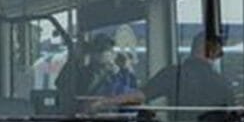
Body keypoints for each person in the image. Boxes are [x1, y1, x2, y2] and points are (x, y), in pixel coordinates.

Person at [97, 35, 231, 112]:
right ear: (210, 52)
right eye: (218, 51)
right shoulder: (222, 82)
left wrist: (104, 102)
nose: (220, 55)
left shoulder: (173, 74)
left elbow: (139, 96)